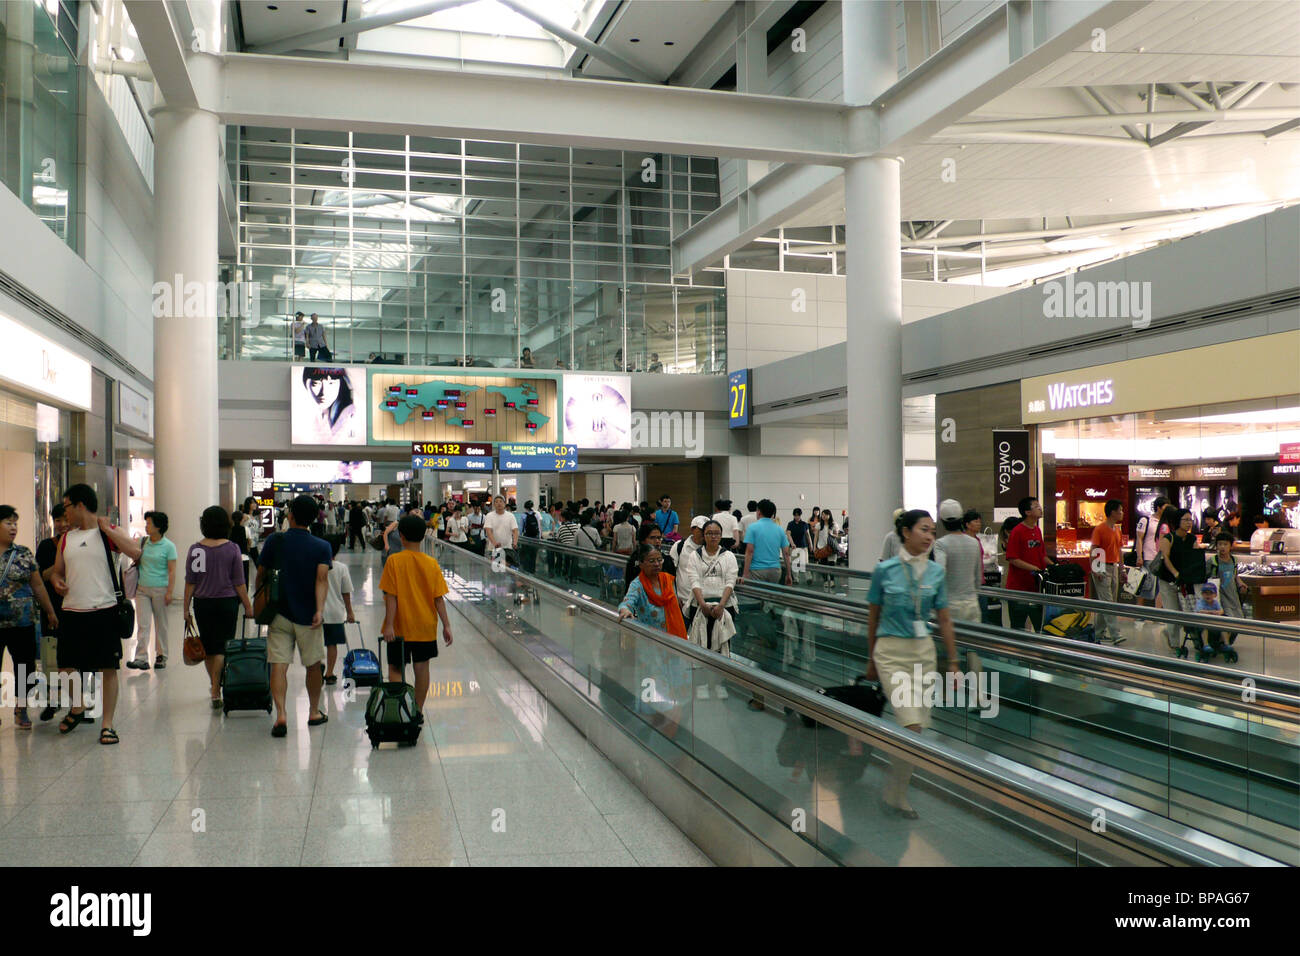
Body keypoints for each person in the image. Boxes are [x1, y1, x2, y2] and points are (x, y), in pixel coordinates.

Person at [865, 510, 960, 819]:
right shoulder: (885, 571)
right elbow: (873, 617)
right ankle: (897, 794)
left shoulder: (935, 573)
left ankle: (895, 790)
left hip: (923, 653)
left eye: (933, 531)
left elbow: (944, 619)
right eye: (923, 529)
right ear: (905, 533)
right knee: (911, 724)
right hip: (891, 652)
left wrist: (954, 661)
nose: (930, 536)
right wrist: (871, 657)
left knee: (917, 728)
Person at [47, 484, 143, 744]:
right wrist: (57, 580)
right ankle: (77, 707)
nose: (64, 513)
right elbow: (57, 571)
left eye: (66, 506)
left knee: (108, 668)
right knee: (66, 665)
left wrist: (108, 529)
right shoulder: (66, 539)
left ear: (79, 505)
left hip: (104, 610)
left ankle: (108, 724)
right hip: (71, 611)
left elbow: (135, 552)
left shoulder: (108, 533)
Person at [257, 495, 331, 737]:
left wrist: (259, 600)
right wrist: (319, 610)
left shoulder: (274, 541)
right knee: (312, 665)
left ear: (289, 515)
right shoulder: (322, 547)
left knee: (279, 664)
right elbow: (322, 579)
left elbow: (261, 574)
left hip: (279, 612)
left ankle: (281, 714)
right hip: (309, 616)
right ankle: (313, 712)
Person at [380, 515, 454, 721]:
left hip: (399, 627)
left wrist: (388, 625)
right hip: (425, 626)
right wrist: (446, 625)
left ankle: (397, 709)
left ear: (401, 536)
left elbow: (391, 597)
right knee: (422, 668)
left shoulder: (394, 561)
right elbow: (438, 599)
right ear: (423, 537)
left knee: (395, 667)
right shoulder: (431, 563)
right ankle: (417, 711)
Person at [184, 506, 255, 709]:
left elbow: (191, 582)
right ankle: (216, 687)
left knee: (209, 647)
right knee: (224, 646)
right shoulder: (232, 548)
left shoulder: (196, 549)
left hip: (203, 604)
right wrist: (248, 606)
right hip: (227, 603)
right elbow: (239, 583)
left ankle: (214, 687)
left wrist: (186, 609)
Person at [0, 505, 60, 730]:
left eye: (15, 523)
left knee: (24, 666)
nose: (13, 527)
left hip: (22, 622)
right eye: (8, 523)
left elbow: (37, 585)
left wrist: (50, 611)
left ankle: (21, 708)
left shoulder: (23, 553)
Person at [682, 520, 738, 699]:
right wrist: (702, 604)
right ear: (703, 535)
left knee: (722, 646)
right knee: (701, 645)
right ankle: (702, 683)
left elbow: (730, 580)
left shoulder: (728, 556)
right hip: (700, 606)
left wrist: (721, 604)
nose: (713, 536)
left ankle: (719, 683)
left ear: (721, 535)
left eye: (716, 533)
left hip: (724, 607)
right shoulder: (695, 556)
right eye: (709, 533)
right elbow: (694, 580)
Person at [128, 511, 178, 670]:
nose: (146, 526)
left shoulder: (169, 546)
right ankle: (141, 657)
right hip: (142, 589)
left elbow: (172, 571)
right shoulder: (143, 542)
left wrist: (170, 592)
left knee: (161, 624)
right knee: (143, 624)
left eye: (149, 523)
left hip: (160, 589)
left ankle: (161, 655)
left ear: (159, 526)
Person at [34, 503, 69, 721]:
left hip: (75, 607)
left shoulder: (80, 542)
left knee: (75, 655)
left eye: (65, 519)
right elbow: (40, 577)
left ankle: (80, 701)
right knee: (49, 657)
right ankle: (51, 701)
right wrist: (58, 567)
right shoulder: (47, 546)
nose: (62, 524)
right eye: (58, 520)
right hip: (51, 608)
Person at [1157, 508, 1206, 652]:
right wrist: (1175, 573)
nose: (1189, 523)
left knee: (1186, 611)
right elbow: (1165, 557)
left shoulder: (1191, 539)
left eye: (1190, 520)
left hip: (1184, 581)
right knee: (1173, 611)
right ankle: (1174, 644)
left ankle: (1192, 639)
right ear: (1178, 521)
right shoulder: (1169, 538)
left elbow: (1193, 558)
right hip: (1168, 580)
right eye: (1185, 520)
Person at [1005, 496, 1053, 633]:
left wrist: (1054, 567)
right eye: (1036, 506)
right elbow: (1013, 558)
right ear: (1027, 512)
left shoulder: (1037, 530)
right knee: (1018, 627)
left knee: (1040, 626)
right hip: (1018, 589)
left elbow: (1042, 556)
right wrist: (1035, 569)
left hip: (1036, 588)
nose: (1040, 508)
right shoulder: (1017, 531)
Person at [1089, 499, 1125, 645]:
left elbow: (1120, 550)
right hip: (1102, 566)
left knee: (1108, 602)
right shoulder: (1100, 529)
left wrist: (1122, 569)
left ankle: (1098, 633)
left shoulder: (1117, 529)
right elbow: (1095, 549)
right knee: (1108, 602)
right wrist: (1095, 569)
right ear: (1113, 512)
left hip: (1113, 566)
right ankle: (1116, 634)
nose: (1122, 513)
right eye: (1120, 510)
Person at [321, 536, 356, 686]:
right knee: (332, 644)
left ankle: (316, 669)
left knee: (314, 644)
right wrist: (350, 612)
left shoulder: (315, 566)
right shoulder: (341, 568)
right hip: (334, 613)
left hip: (316, 612)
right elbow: (346, 592)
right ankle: (329, 673)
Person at [1205, 533, 1247, 654]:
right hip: (1219, 595)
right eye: (1220, 544)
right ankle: (1223, 643)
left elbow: (1235, 575)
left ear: (1230, 546)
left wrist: (1240, 583)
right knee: (1228, 619)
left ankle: (1225, 642)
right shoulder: (1213, 561)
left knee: (1239, 620)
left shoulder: (1234, 560)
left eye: (1225, 544)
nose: (1222, 547)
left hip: (1232, 594)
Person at [300, 367, 358, 444]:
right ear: (307, 385)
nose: (323, 392)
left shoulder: (351, 414)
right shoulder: (316, 416)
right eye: (315, 383)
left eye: (331, 383)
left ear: (341, 383)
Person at [741, 499, 791, 586]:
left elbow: (749, 551)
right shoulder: (779, 529)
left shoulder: (752, 528)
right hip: (775, 571)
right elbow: (786, 553)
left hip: (757, 570)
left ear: (759, 512)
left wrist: (745, 574)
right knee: (770, 597)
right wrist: (789, 574)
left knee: (757, 597)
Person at [1132, 496, 1168, 610]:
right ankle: (1139, 614)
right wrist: (1139, 556)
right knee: (1144, 586)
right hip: (1148, 558)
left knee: (1161, 588)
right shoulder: (1146, 520)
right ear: (1158, 507)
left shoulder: (1166, 523)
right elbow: (1139, 539)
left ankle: (1158, 613)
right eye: (1165, 508)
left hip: (1161, 559)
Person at [669, 516, 707, 606]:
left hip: (704, 602)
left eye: (707, 530)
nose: (704, 533)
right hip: (683, 601)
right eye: (701, 529)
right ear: (692, 529)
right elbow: (669, 573)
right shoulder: (679, 546)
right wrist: (673, 595)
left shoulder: (711, 549)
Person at [483, 495, 518, 559]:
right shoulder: (489, 515)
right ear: (494, 505)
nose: (499, 503)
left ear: (504, 504)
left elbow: (515, 530)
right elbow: (488, 531)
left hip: (507, 548)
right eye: (496, 502)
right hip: (493, 548)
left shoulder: (510, 516)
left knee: (506, 568)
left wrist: (515, 542)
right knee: (495, 568)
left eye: (501, 501)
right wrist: (495, 543)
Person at [520, 500, 541, 573]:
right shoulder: (537, 514)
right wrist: (539, 537)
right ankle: (533, 570)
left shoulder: (523, 515)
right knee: (534, 555)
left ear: (525, 507)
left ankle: (526, 570)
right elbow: (539, 527)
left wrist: (520, 537)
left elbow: (521, 528)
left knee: (526, 554)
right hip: (535, 537)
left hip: (526, 537)